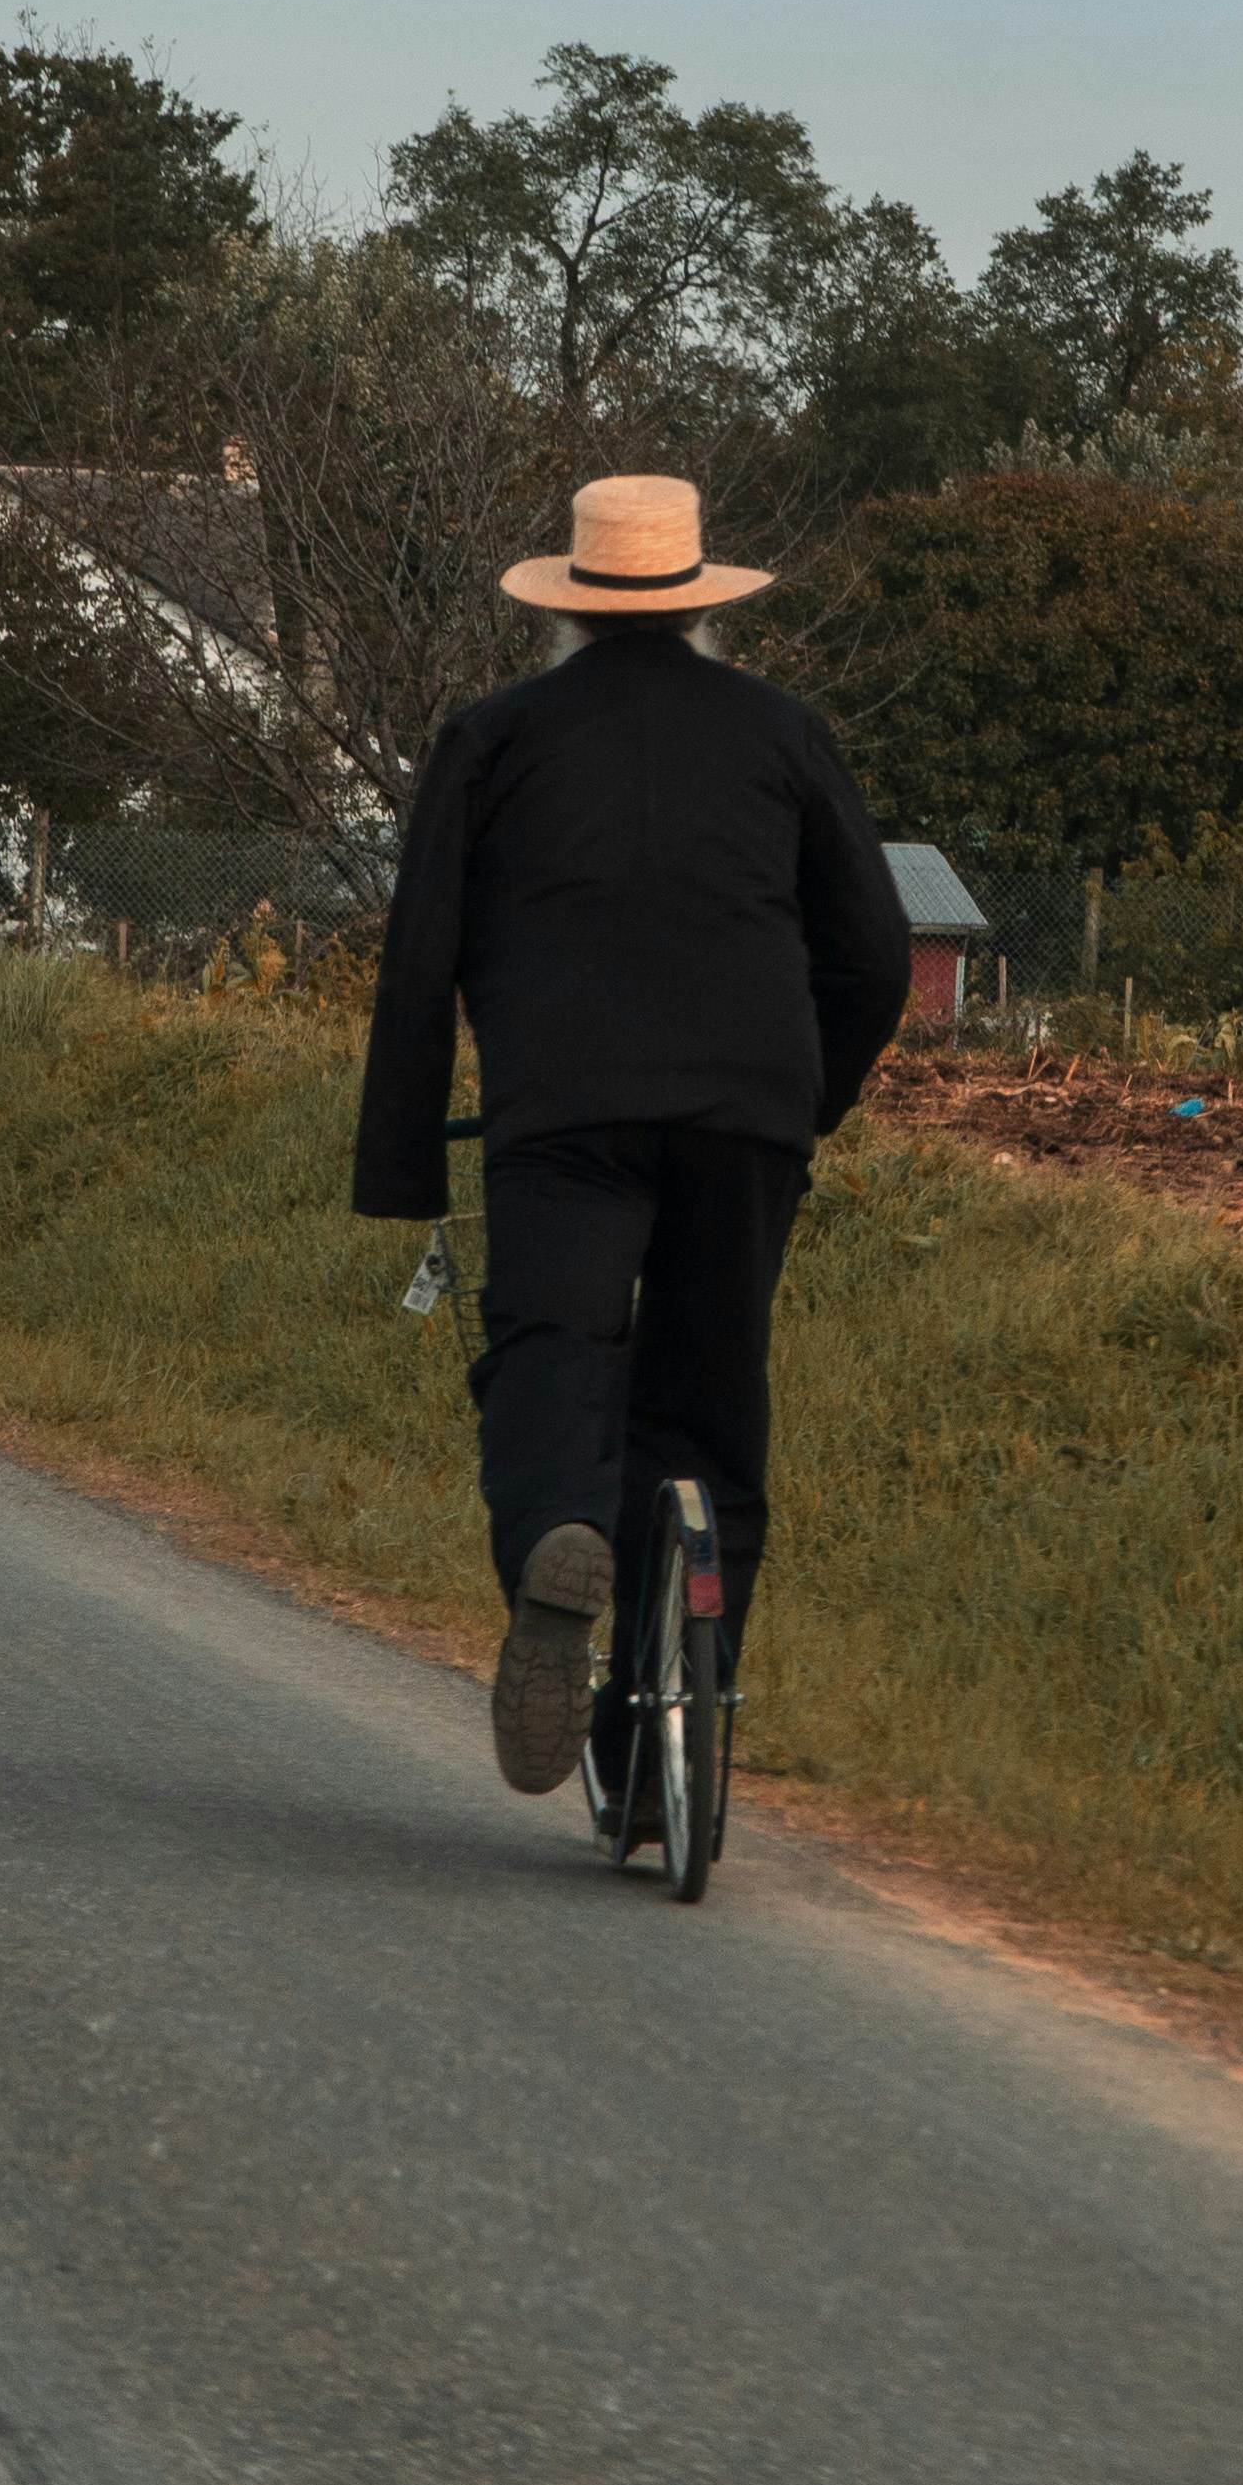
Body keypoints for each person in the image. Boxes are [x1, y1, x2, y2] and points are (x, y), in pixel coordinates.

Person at [352, 474, 912, 1801]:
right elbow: (876, 952)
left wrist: (403, 1162)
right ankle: (674, 1733)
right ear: (702, 603)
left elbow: (418, 951)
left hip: (566, 1106)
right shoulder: (783, 732)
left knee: (555, 1345)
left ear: (567, 608)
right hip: (748, 1112)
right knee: (709, 1402)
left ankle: (556, 1531)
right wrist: (805, 1100)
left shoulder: (493, 736)